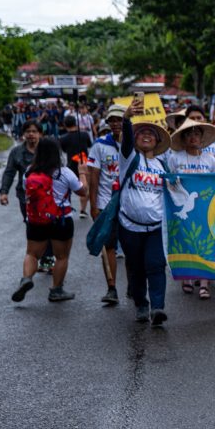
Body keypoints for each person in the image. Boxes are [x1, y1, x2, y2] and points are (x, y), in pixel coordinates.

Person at [10, 136, 87, 303]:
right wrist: (83, 173)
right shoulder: (64, 172)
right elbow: (83, 192)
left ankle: (26, 278)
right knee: (61, 256)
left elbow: (26, 191)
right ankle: (56, 290)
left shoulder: (29, 172)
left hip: (37, 220)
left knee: (32, 253)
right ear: (58, 152)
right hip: (61, 220)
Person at [117, 101, 173, 326]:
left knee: (156, 264)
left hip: (157, 227)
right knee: (136, 266)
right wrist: (127, 119)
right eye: (142, 133)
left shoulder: (163, 165)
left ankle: (157, 307)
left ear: (158, 141)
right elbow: (127, 141)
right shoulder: (129, 158)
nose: (146, 135)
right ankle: (141, 303)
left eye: (151, 133)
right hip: (130, 227)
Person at [168, 118, 215, 299]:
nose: (193, 137)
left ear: (202, 137)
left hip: (205, 208)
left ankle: (204, 282)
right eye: (189, 134)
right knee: (186, 240)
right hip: (183, 208)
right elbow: (169, 182)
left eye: (196, 133)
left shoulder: (210, 159)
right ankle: (187, 277)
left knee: (205, 243)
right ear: (183, 138)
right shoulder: (175, 158)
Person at [0, 120, 57, 273]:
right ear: (24, 134)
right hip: (26, 197)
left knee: (49, 226)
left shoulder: (47, 150)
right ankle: (36, 256)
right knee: (33, 227)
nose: (31, 134)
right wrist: (4, 192)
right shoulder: (16, 152)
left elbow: (59, 169)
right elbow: (10, 172)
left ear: (40, 133)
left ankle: (48, 258)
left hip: (47, 197)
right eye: (28, 131)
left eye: (34, 131)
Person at [86, 104, 126, 305]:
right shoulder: (100, 145)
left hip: (130, 204)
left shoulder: (134, 143)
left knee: (132, 248)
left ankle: (134, 287)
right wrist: (93, 206)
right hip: (105, 203)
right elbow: (93, 176)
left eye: (120, 119)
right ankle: (112, 287)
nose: (116, 123)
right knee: (109, 246)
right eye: (113, 120)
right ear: (108, 122)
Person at [59, 114, 93, 218]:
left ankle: (67, 207)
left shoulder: (63, 138)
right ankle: (82, 210)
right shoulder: (84, 134)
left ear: (65, 125)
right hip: (84, 164)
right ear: (76, 123)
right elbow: (90, 144)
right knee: (85, 187)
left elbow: (64, 150)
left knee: (67, 188)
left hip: (71, 166)